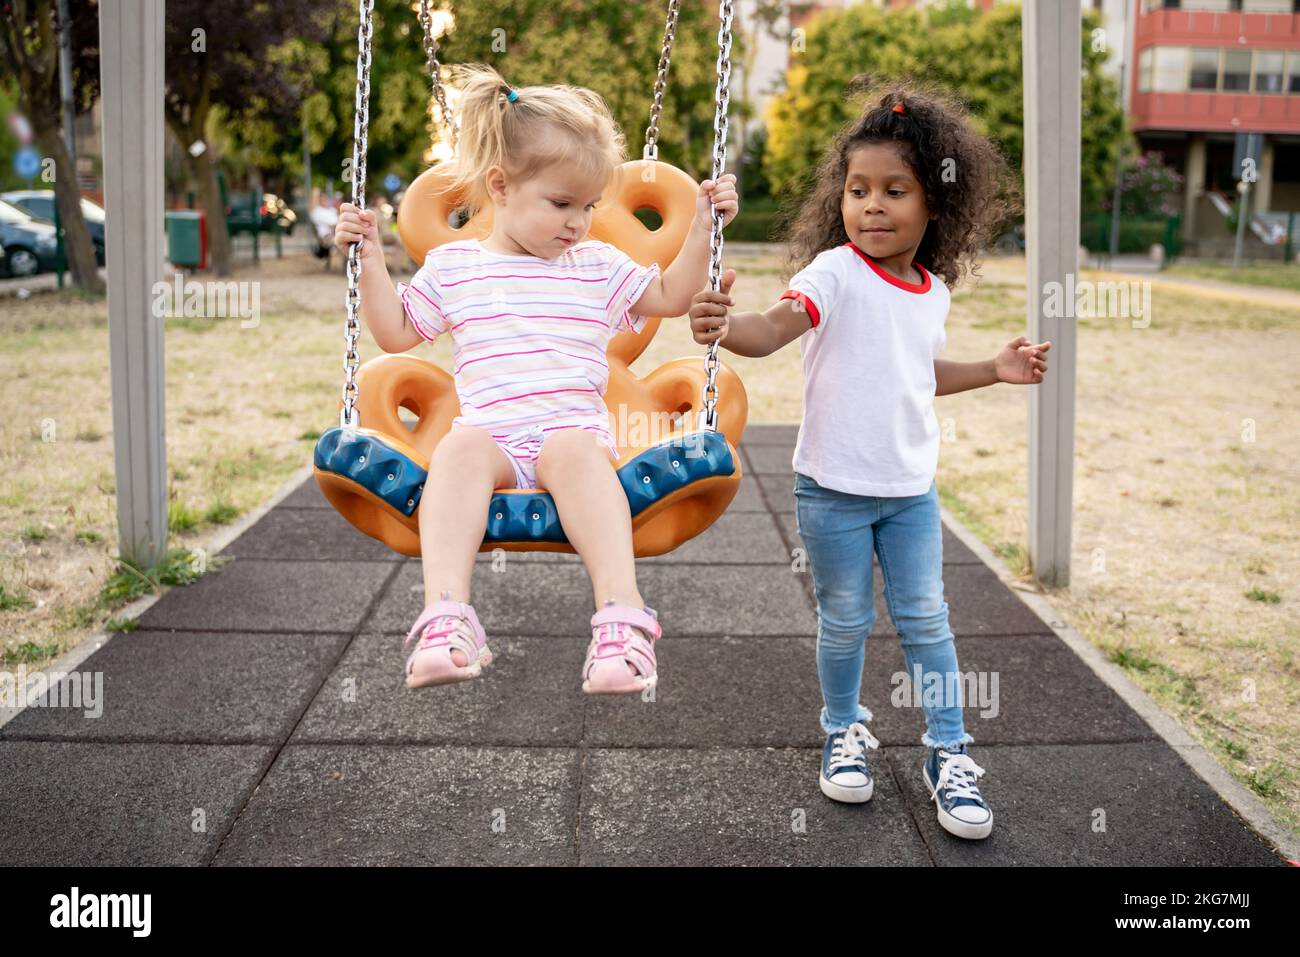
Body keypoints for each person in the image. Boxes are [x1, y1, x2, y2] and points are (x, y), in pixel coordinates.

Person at [687, 81, 1049, 840]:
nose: (872, 206)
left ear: (934, 206)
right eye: (858, 190)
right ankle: (843, 729)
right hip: (833, 489)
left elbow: (920, 373)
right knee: (846, 619)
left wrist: (993, 367)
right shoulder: (835, 273)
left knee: (928, 621)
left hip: (910, 491)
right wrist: (724, 324)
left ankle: (948, 751)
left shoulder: (929, 293)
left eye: (894, 190)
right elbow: (772, 329)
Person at [334, 64, 737, 695]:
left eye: (588, 206)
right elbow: (394, 333)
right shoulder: (455, 266)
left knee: (577, 452)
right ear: (500, 186)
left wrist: (705, 229)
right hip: (488, 436)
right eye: (561, 204)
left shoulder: (596, 264)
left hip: (567, 434)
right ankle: (446, 618)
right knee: (457, 451)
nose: (578, 221)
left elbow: (673, 294)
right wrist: (365, 259)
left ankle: (619, 623)